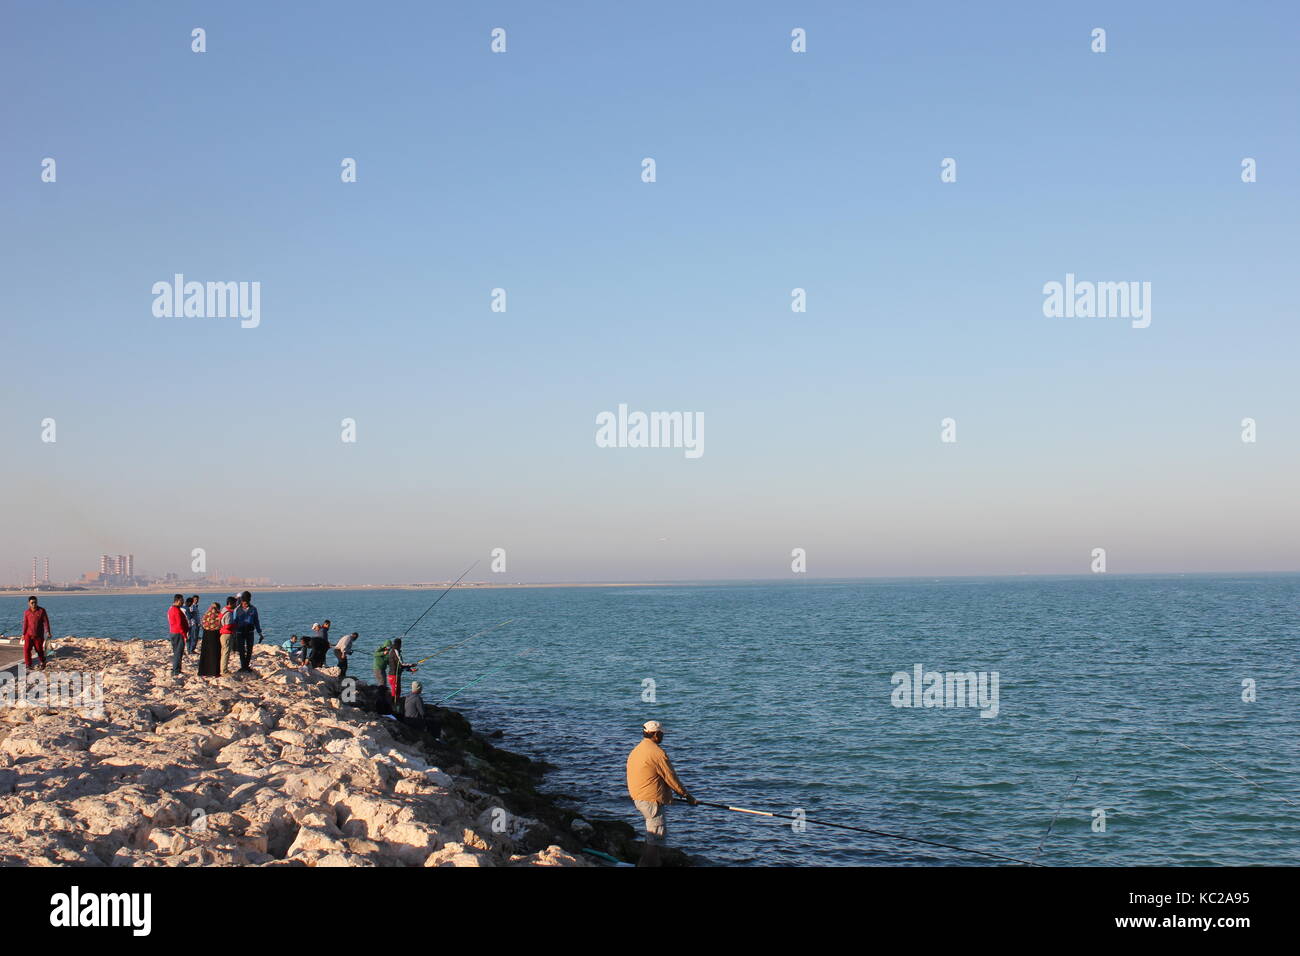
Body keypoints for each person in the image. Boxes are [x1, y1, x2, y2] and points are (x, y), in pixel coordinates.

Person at [625, 720, 696, 866]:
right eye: (662, 734)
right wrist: (687, 796)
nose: (663, 736)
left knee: (651, 837)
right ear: (656, 734)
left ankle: (643, 864)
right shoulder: (657, 753)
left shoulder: (637, 749)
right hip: (651, 801)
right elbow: (671, 778)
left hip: (639, 798)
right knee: (656, 839)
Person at [232, 590, 263, 673]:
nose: (245, 604)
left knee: (249, 649)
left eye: (247, 603)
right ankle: (243, 666)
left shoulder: (253, 609)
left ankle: (246, 666)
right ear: (241, 601)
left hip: (250, 632)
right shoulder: (236, 610)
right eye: (244, 603)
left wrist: (259, 632)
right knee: (241, 649)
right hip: (240, 632)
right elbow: (234, 622)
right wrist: (233, 633)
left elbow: (256, 621)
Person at [21, 595, 51, 671]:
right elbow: (25, 624)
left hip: (38, 635)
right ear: (29, 603)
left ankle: (43, 661)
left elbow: (46, 622)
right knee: (26, 650)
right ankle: (28, 665)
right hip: (28, 634)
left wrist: (48, 631)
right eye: (32, 603)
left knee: (39, 650)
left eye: (35, 602)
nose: (34, 604)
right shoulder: (26, 612)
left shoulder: (41, 611)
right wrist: (23, 634)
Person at [198, 601, 222, 677]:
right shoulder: (219, 615)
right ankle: (214, 672)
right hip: (215, 635)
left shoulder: (206, 615)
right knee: (215, 653)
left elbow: (203, 623)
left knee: (205, 654)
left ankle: (203, 671)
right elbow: (221, 624)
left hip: (206, 635)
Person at [166, 594, 188, 676]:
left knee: (176, 651)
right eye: (182, 601)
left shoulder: (171, 609)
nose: (183, 602)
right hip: (178, 633)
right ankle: (176, 670)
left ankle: (176, 668)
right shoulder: (176, 610)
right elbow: (179, 623)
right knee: (178, 652)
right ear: (177, 601)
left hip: (173, 632)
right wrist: (184, 634)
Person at [218, 596, 237, 674]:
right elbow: (228, 625)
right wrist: (235, 626)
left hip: (223, 633)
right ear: (231, 603)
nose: (236, 605)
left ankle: (222, 668)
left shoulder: (223, 610)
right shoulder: (228, 613)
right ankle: (224, 670)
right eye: (235, 603)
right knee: (226, 652)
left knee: (223, 652)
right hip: (227, 634)